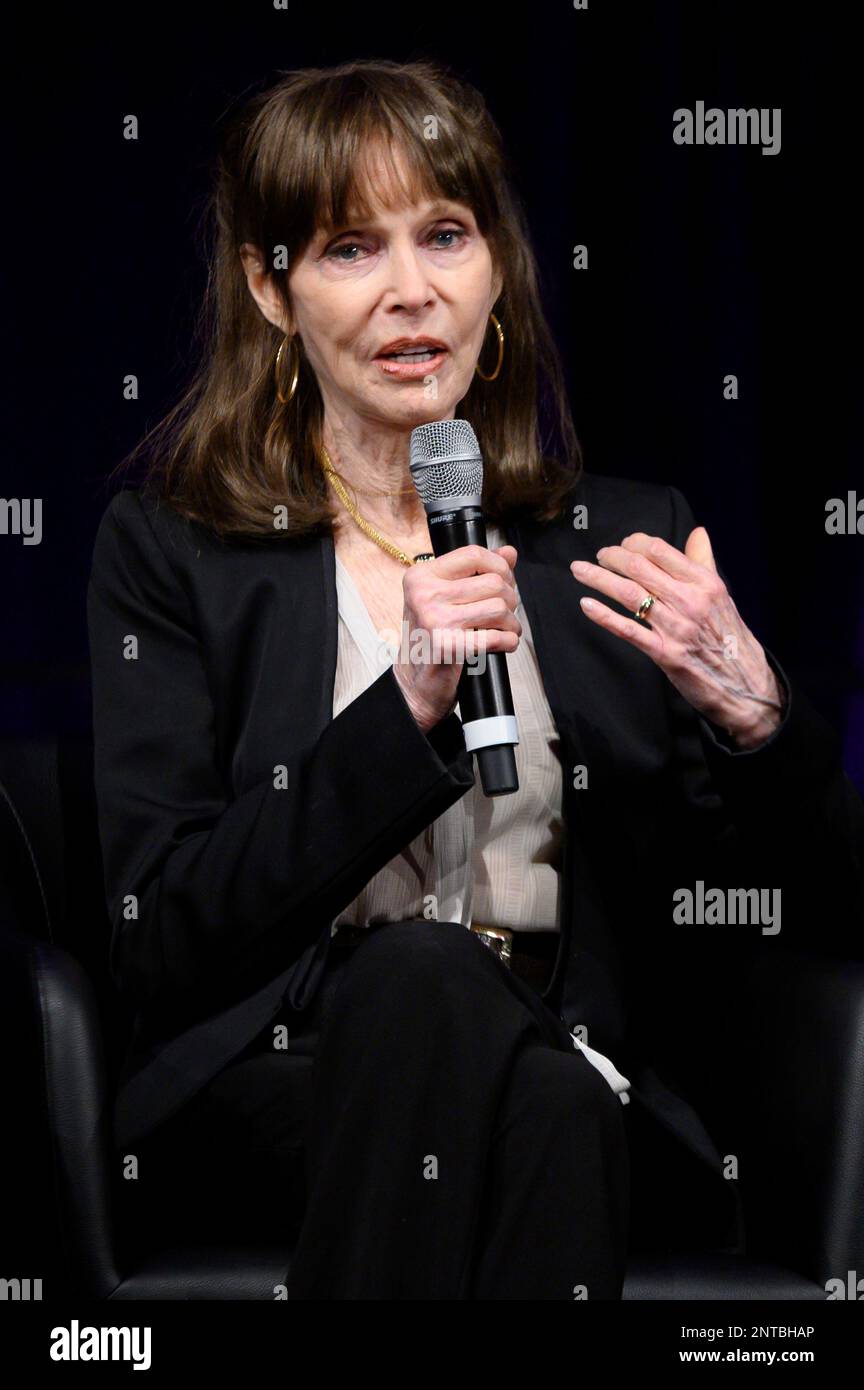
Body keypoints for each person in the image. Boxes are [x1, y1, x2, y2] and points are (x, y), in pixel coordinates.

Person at [88, 58, 864, 1299]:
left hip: (580, 1056)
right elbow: (158, 935)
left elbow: (816, 900)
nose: (412, 293)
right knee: (455, 1007)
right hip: (290, 1081)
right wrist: (401, 710)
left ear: (495, 268)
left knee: (552, 1095)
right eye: (351, 248)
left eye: (445, 234)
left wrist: (758, 720)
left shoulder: (620, 542)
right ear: (271, 288)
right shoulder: (178, 553)